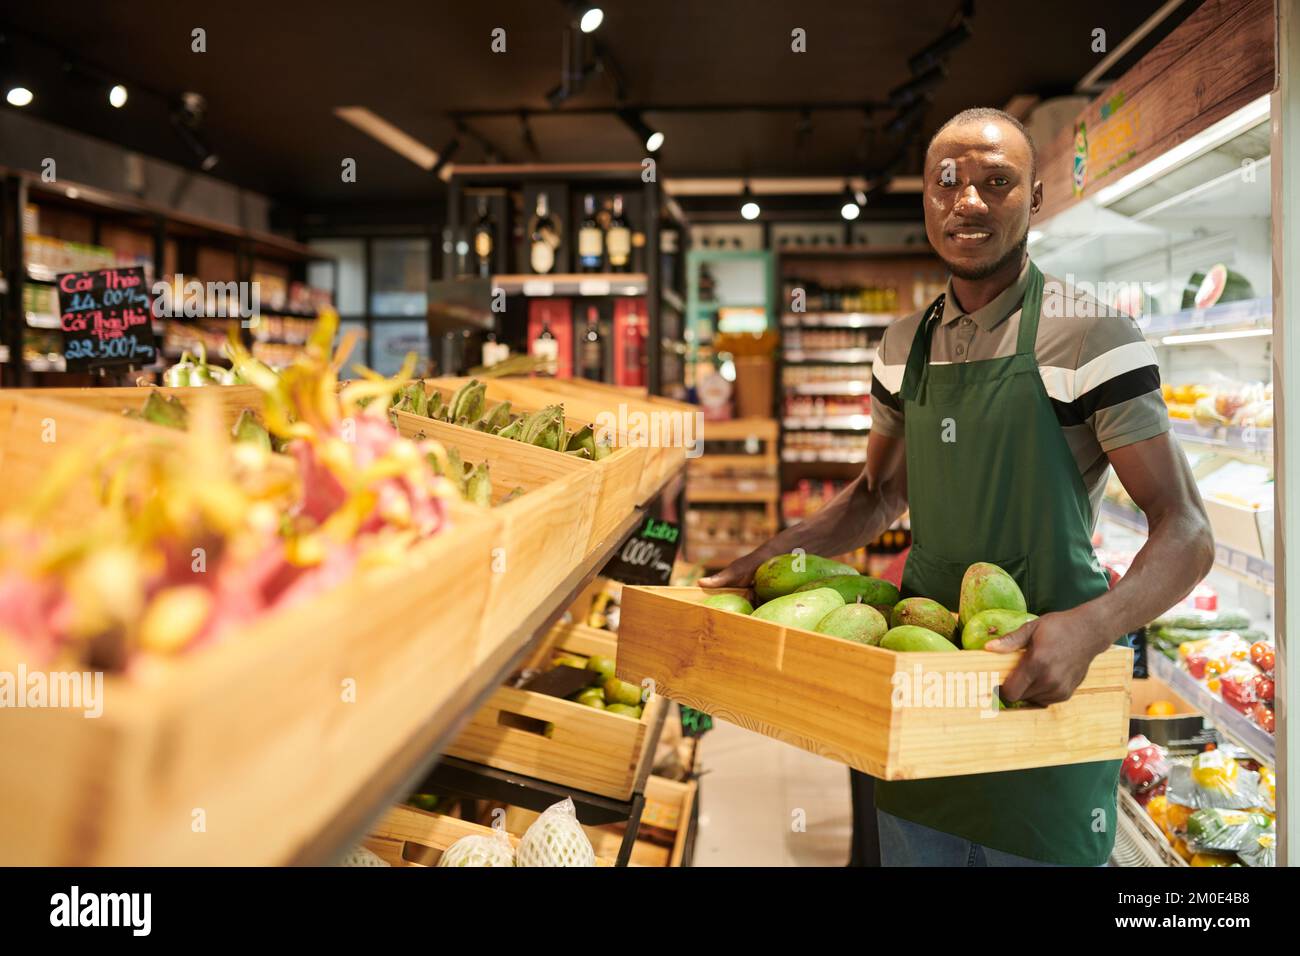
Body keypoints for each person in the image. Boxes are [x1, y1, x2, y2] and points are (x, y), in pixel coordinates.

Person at [700, 107, 1215, 867]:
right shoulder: (902, 345)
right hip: (924, 677)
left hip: (1049, 680)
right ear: (925, 198)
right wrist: (782, 555)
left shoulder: (1090, 337)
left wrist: (1094, 627)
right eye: (948, 182)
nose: (968, 201)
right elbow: (879, 495)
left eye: (995, 182)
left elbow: (1186, 530)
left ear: (1034, 198)